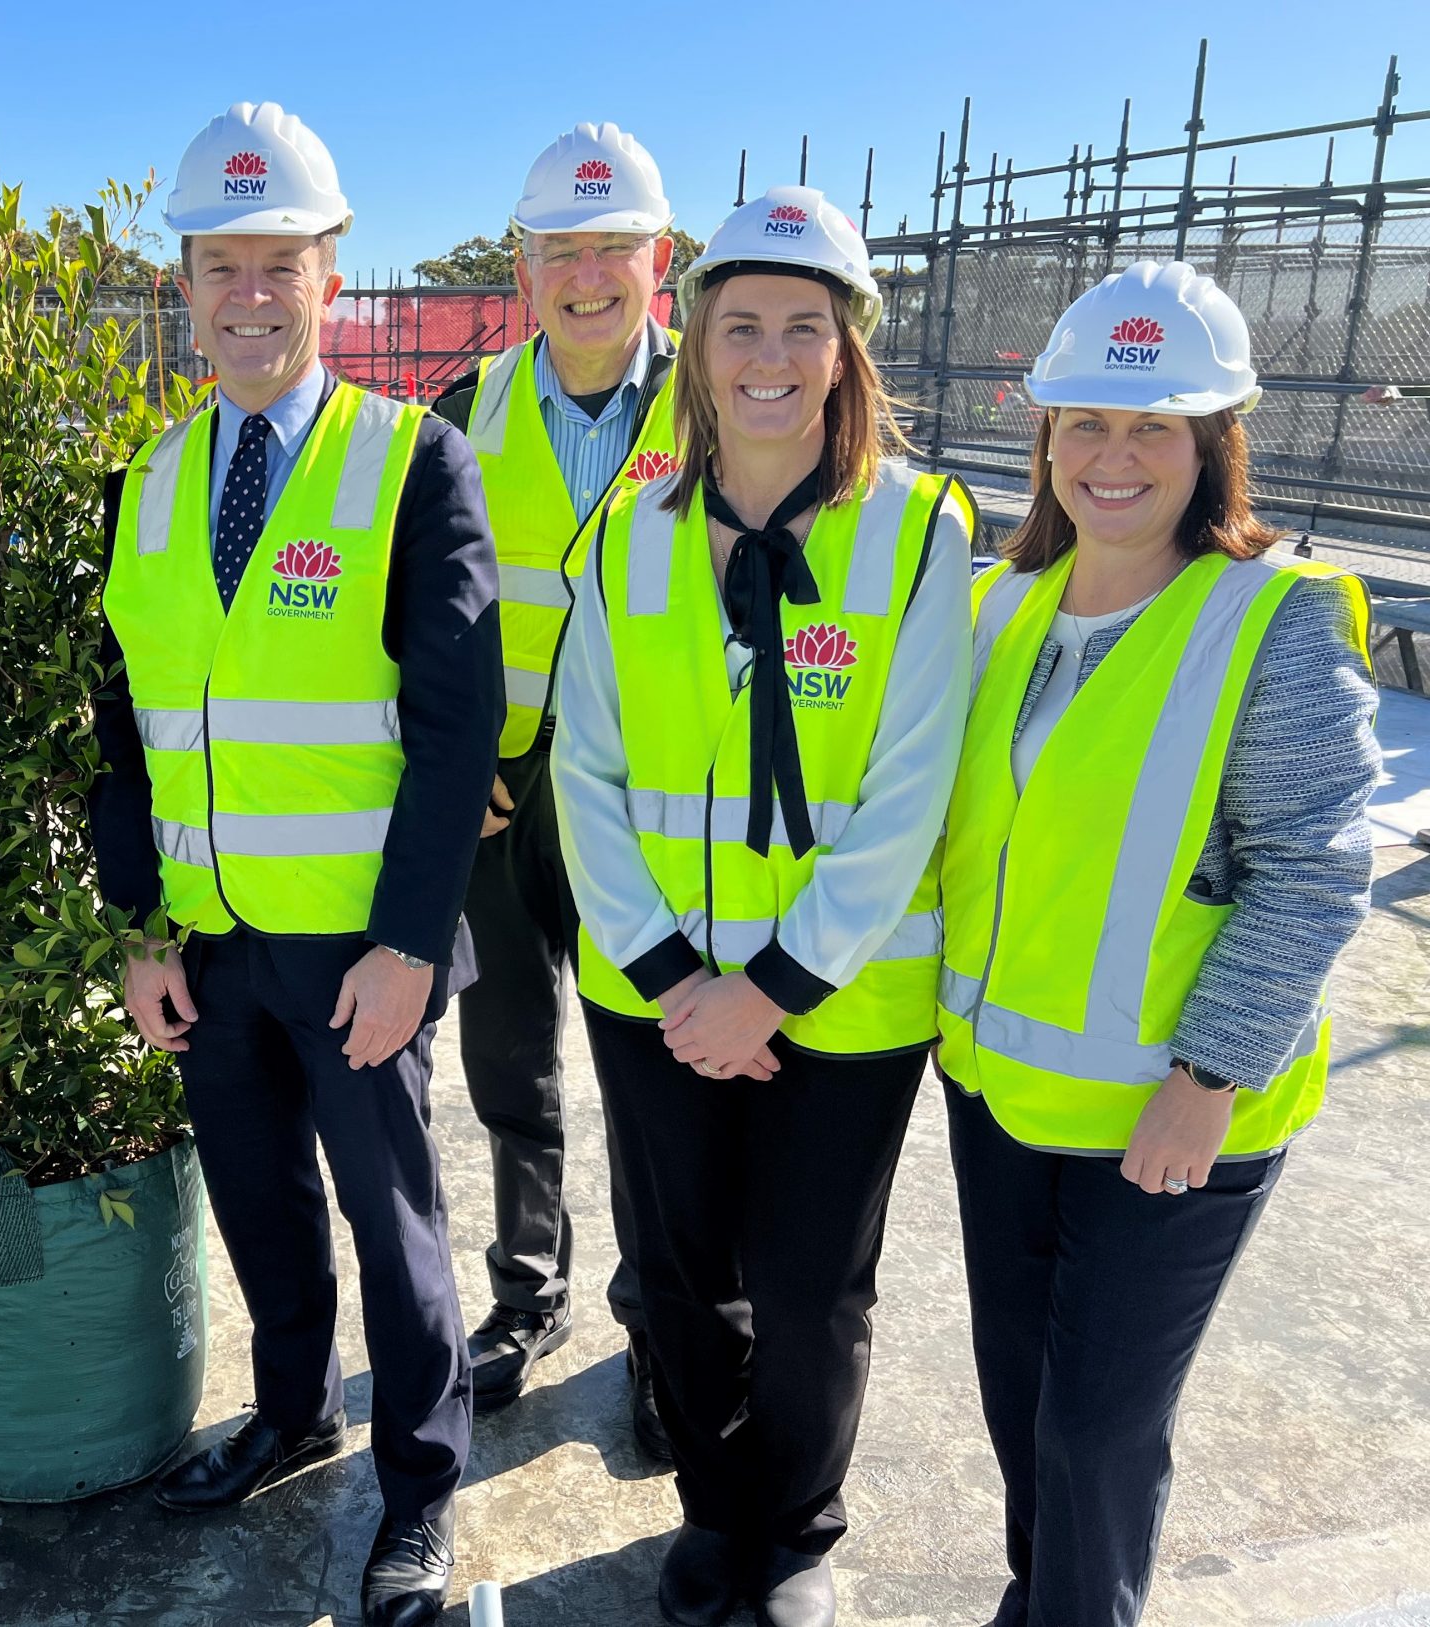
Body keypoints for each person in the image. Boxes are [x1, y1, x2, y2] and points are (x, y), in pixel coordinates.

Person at [90, 101, 500, 1627]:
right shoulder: (144, 483)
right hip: (206, 943)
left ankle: (420, 1486)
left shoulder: (410, 463)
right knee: (260, 1207)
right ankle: (288, 1410)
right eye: (219, 264)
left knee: (392, 1229)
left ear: (332, 271)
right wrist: (137, 928)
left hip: (356, 950)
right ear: (182, 284)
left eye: (280, 261)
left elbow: (459, 733)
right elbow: (119, 733)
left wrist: (410, 940)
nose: (248, 293)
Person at [551, 187, 975, 1627]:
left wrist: (770, 987)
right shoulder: (623, 538)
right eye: (744, 325)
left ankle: (795, 1526)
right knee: (678, 1280)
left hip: (843, 1007)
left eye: (807, 325)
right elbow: (584, 769)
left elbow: (909, 794)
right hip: (651, 995)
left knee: (808, 1289)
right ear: (699, 342)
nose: (771, 355)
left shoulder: (921, 532)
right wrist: (679, 974)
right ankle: (714, 1511)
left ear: (849, 350)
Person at [935, 261, 1380, 1627]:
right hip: (1003, 1091)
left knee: (1097, 1430)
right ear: (1047, 437)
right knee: (1024, 1403)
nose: (1112, 457)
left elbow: (1314, 871)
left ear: (1212, 445)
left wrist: (1207, 1076)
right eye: (1086, 425)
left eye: (1154, 429)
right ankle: (1046, 1598)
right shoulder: (1000, 609)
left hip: (1171, 1116)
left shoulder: (1271, 622)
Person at [429, 122, 677, 1440]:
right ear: (522, 264)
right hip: (504, 801)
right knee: (509, 1063)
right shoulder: (465, 412)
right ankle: (532, 1288)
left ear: (662, 259)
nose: (586, 276)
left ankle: (661, 1314)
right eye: (560, 249)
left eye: (611, 248)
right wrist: (451, 767)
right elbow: (412, 619)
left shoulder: (726, 404)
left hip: (656, 808)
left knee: (653, 1070)